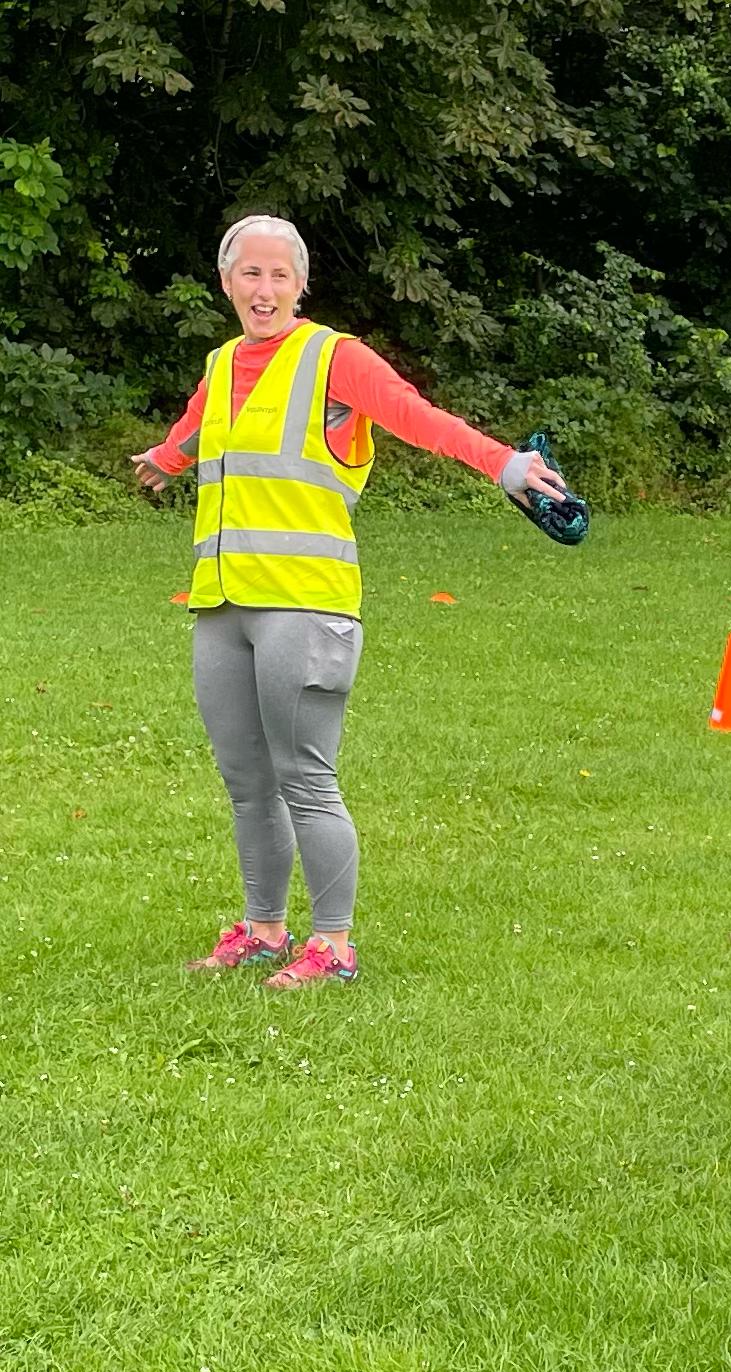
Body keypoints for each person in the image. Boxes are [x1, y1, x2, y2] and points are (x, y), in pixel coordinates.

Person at [132, 214, 564, 989]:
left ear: (300, 285)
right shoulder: (223, 362)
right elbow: (199, 429)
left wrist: (502, 464)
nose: (263, 290)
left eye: (278, 276)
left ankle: (332, 946)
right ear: (227, 282)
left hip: (307, 605)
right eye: (249, 274)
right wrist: (166, 460)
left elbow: (418, 418)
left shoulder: (335, 358)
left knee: (304, 777)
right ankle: (264, 930)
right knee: (245, 779)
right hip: (223, 604)